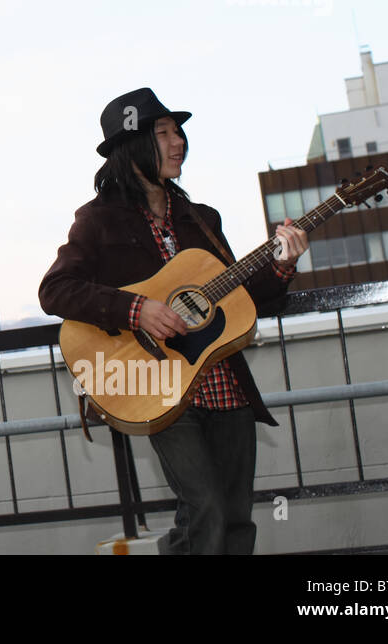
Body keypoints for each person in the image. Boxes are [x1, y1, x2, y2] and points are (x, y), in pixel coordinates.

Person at [38, 88, 308, 555]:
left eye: (178, 131)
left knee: (236, 516)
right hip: (159, 382)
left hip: (224, 381)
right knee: (205, 509)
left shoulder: (201, 219)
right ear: (133, 145)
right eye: (163, 133)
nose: (178, 141)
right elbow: (55, 290)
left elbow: (241, 297)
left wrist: (282, 265)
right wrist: (137, 310)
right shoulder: (98, 221)